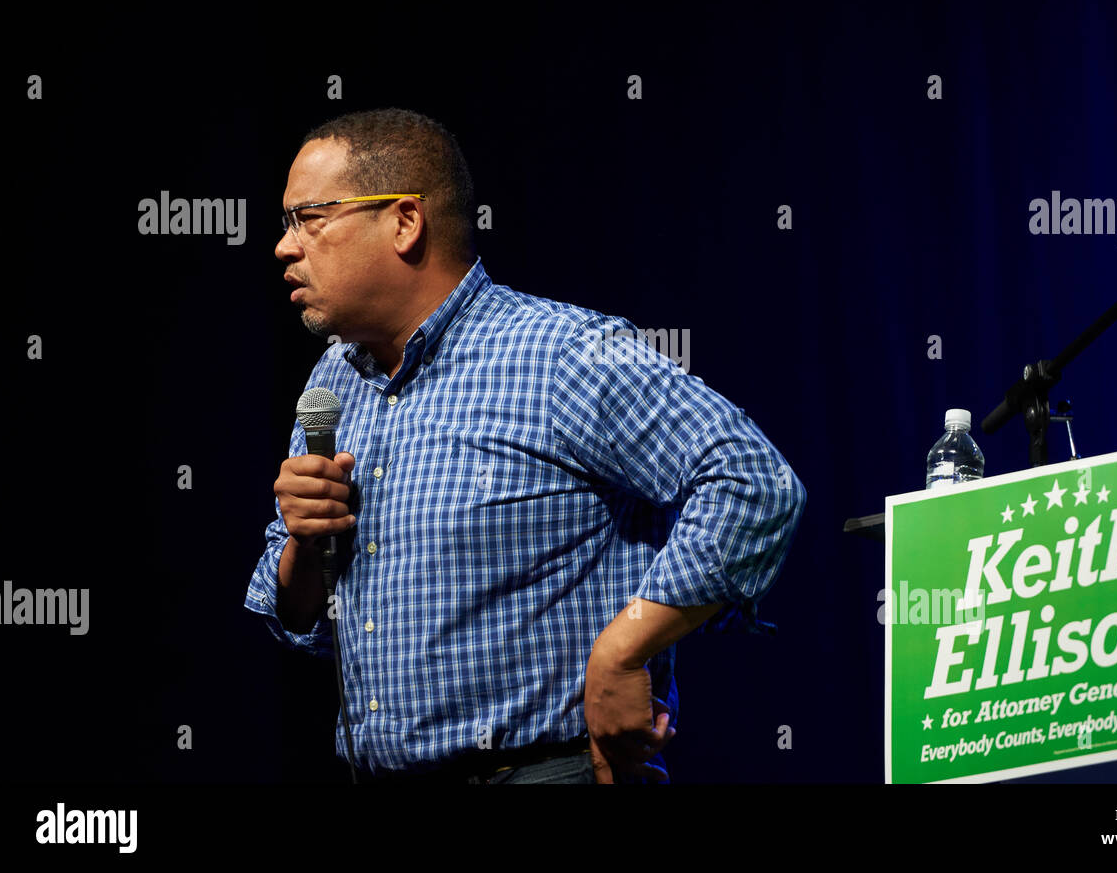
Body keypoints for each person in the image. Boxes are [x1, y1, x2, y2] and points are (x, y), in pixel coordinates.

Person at [243, 108, 806, 784]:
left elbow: (752, 480)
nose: (284, 245)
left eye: (310, 218)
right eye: (287, 224)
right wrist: (306, 540)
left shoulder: (563, 353)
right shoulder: (334, 381)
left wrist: (624, 648)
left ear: (403, 222)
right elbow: (299, 617)